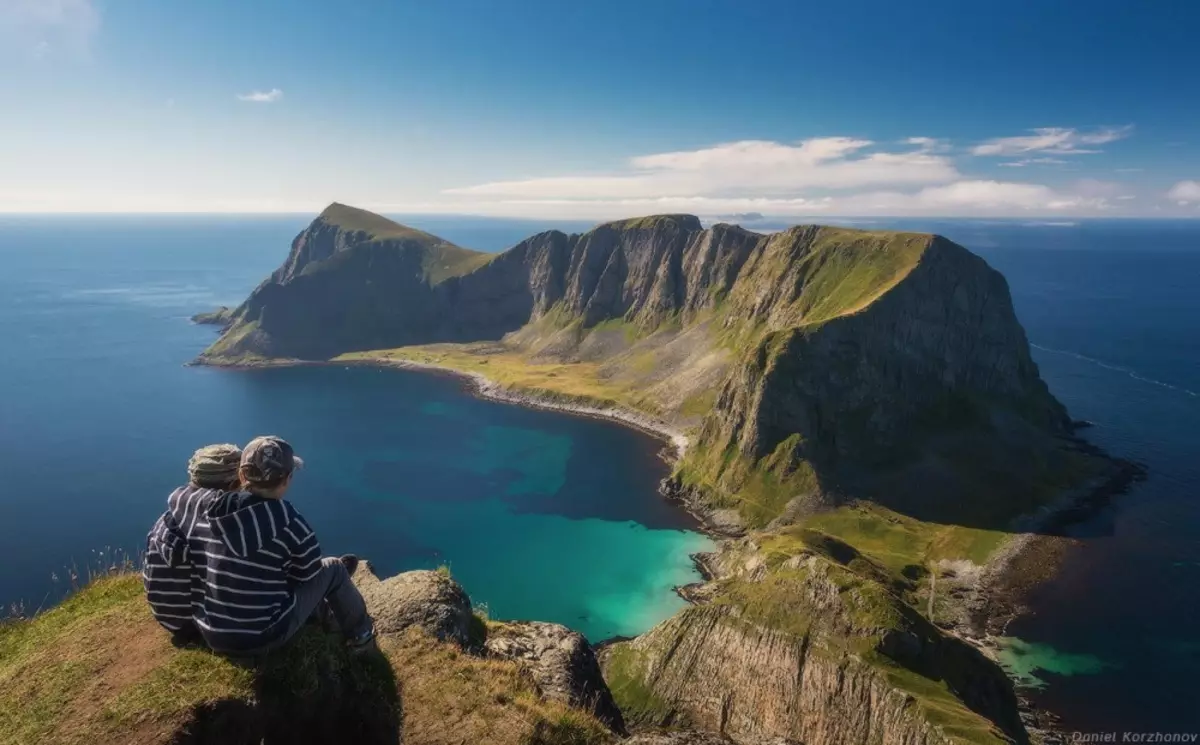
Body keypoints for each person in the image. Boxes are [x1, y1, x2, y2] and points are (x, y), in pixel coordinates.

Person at [145, 436, 375, 656]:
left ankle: (327, 609)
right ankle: (362, 634)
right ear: (287, 479)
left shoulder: (207, 514)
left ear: (243, 475)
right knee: (332, 568)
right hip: (261, 636)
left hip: (211, 630)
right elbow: (307, 572)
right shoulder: (286, 518)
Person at [143, 443, 242, 641]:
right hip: (200, 623)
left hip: (168, 617)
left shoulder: (165, 520)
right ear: (233, 485)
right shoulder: (218, 526)